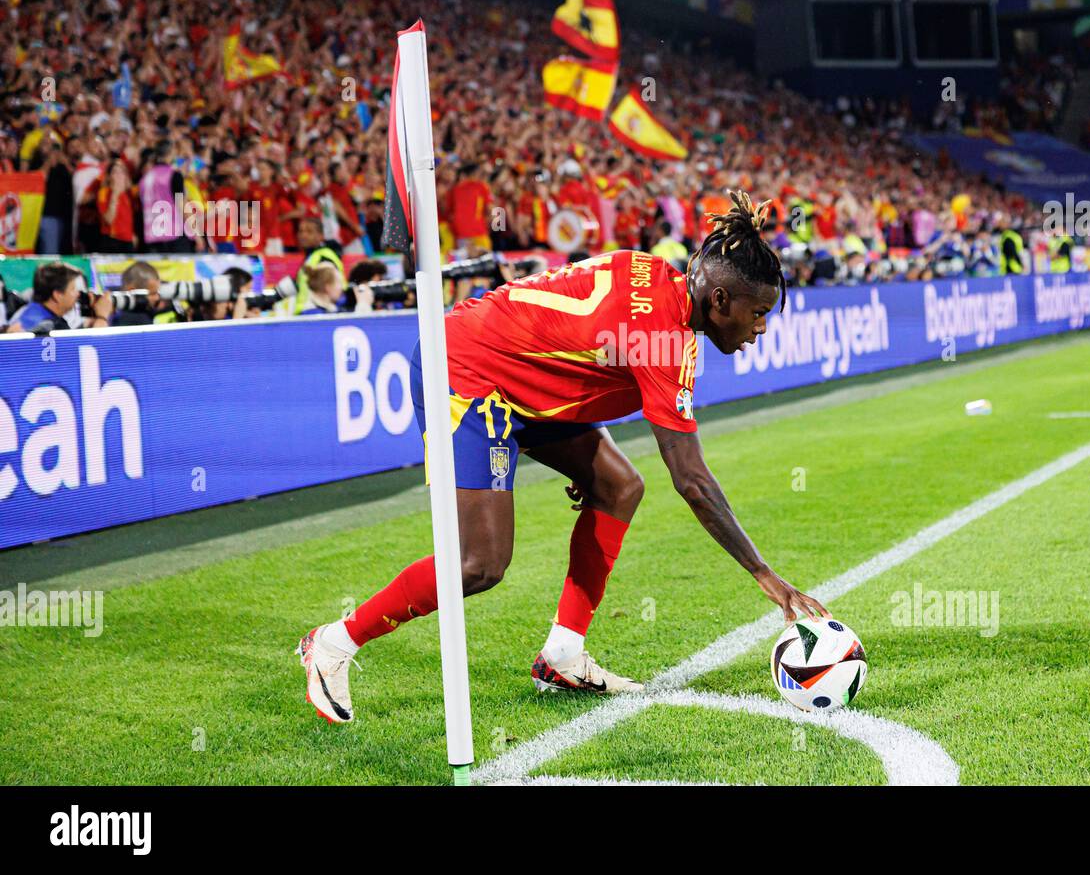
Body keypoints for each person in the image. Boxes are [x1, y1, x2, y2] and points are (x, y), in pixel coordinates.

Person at [297, 191, 828, 723]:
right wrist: (764, 574)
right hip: (464, 373)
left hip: (517, 380)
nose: (761, 328)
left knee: (618, 486)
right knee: (480, 564)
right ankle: (334, 643)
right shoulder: (662, 338)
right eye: (757, 313)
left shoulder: (651, 275)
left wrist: (574, 448)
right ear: (718, 300)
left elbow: (569, 345)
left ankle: (563, 656)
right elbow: (691, 480)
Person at [5, 262, 111, 333]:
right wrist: (102, 317)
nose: (78, 294)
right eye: (74, 289)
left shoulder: (27, 311)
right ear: (58, 295)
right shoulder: (50, 326)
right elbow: (90, 354)